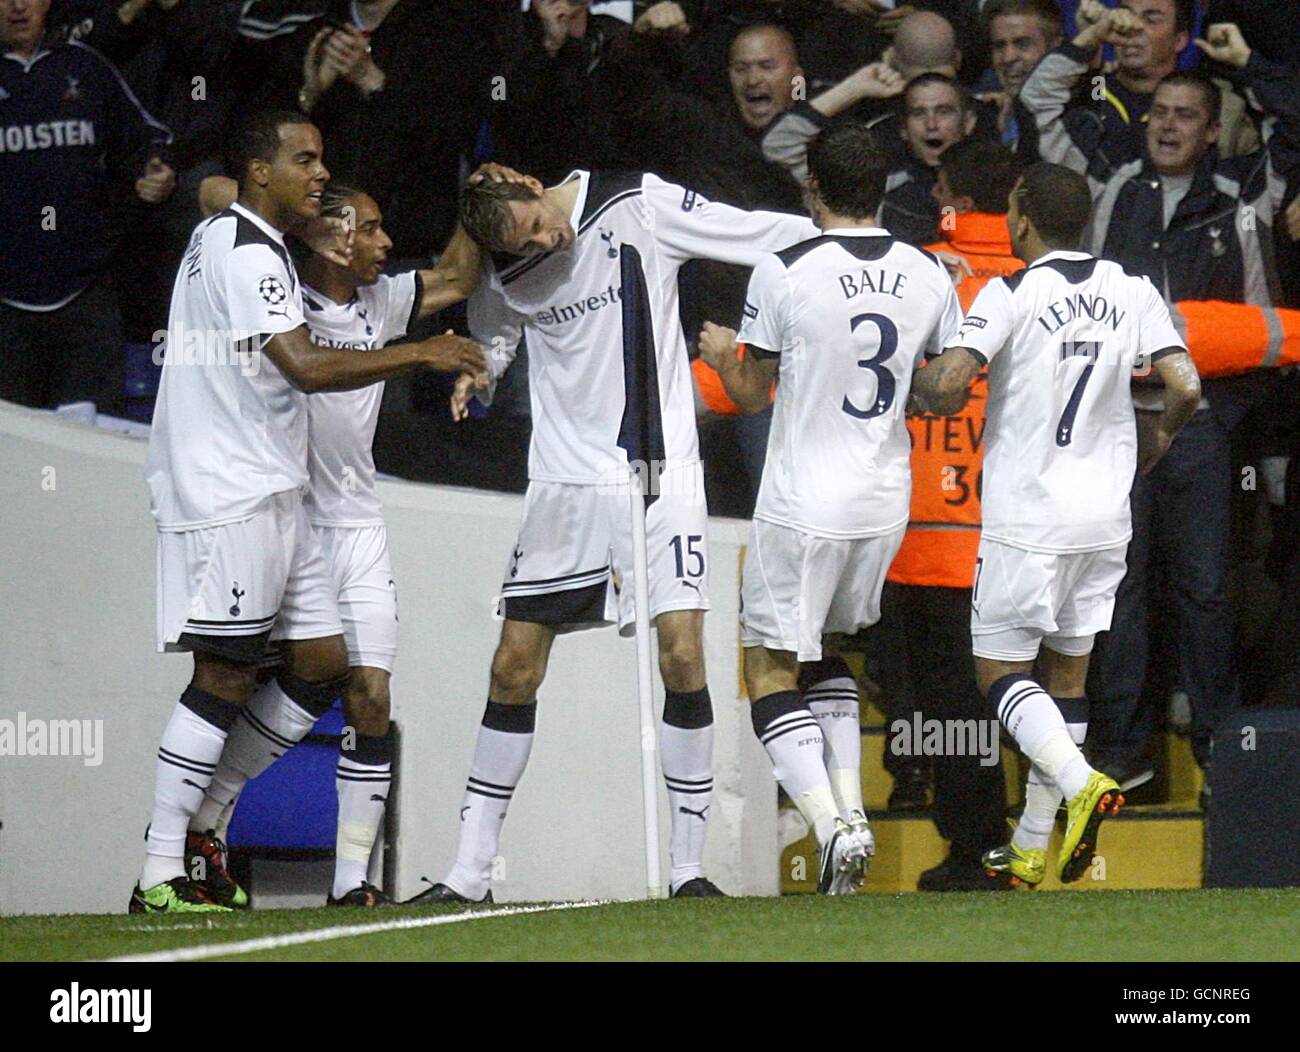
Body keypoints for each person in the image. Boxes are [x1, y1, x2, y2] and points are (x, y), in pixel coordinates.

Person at [409, 166, 818, 904]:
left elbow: (751, 231)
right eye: (523, 241)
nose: (544, 239)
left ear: (533, 185)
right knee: (513, 666)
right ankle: (469, 875)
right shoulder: (508, 272)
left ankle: (690, 871)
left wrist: (854, 244)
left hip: (662, 478)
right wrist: (483, 372)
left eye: (537, 222)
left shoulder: (636, 205)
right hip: (566, 485)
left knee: (683, 652)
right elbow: (497, 338)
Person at [131, 109, 485, 913]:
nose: (317, 173)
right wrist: (424, 353)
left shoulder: (232, 231)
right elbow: (302, 366)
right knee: (223, 670)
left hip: (268, 493)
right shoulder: (255, 252)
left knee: (322, 663)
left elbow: (215, 189)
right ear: (264, 173)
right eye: (304, 160)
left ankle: (206, 825)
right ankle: (158, 872)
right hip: (232, 490)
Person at [911, 161, 1203, 887]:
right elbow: (1187, 385)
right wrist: (1159, 437)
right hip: (1106, 517)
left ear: (1024, 221)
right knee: (1065, 677)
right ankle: (1033, 844)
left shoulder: (1010, 291)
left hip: (1029, 518)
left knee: (999, 676)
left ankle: (1080, 783)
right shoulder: (1131, 288)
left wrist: (915, 387)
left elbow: (949, 388)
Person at [696, 120, 965, 893]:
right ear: (880, 185)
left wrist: (720, 355)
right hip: (884, 503)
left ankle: (830, 823)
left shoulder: (783, 271)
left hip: (804, 502)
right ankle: (851, 814)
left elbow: (751, 396)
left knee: (769, 665)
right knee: (831, 652)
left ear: (812, 186)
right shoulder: (926, 272)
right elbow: (941, 384)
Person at [1033, 19, 1300, 784]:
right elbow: (1044, 109)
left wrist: (1252, 68)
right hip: (1115, 423)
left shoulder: (1242, 192)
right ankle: (1124, 752)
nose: (1169, 126)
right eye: (1160, 113)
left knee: (1207, 588)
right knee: (1117, 587)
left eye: (1187, 115)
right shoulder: (1112, 186)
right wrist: (1080, 40)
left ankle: (1218, 746)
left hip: (1202, 426)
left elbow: (1294, 131)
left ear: (1214, 130)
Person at [885, 137, 1025, 890]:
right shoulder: (1049, 279)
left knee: (950, 709)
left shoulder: (914, 274)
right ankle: (1035, 839)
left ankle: (977, 850)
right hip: (1024, 533)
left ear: (955, 199)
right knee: (1046, 689)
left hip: (928, 536)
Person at [1, 0, 175, 417]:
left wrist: (156, 170)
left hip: (86, 294)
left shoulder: (85, 66)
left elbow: (147, 140)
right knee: (11, 453)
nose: (19, 6)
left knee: (94, 445)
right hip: (5, 306)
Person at [765, 71, 979, 246]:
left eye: (943, 112)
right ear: (903, 129)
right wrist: (855, 87)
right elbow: (780, 144)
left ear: (968, 122)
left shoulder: (993, 181)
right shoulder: (867, 178)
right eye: (919, 113)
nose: (932, 124)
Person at [974, 0, 1063, 157]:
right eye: (999, 46)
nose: (1008, 58)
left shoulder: (1087, 106)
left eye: (1022, 44)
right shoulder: (982, 121)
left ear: (1055, 47)